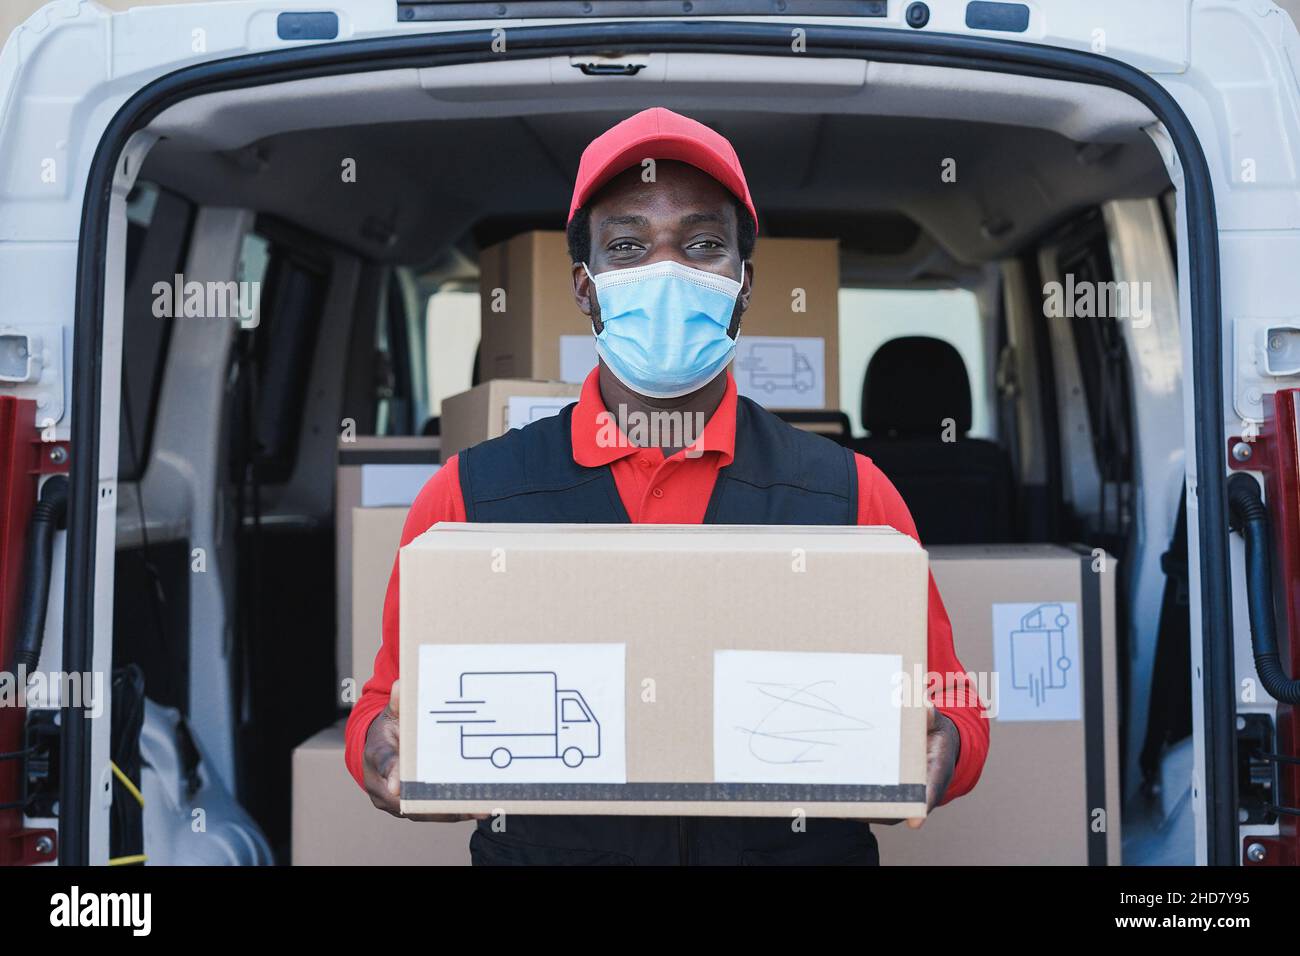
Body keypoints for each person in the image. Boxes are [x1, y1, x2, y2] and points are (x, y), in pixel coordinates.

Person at [345, 107, 989, 865]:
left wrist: (942, 744)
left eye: (704, 245)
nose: (666, 271)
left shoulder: (852, 496)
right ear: (585, 288)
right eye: (626, 246)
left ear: (744, 284)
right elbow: (383, 706)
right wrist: (384, 756)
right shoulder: (469, 499)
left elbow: (952, 703)